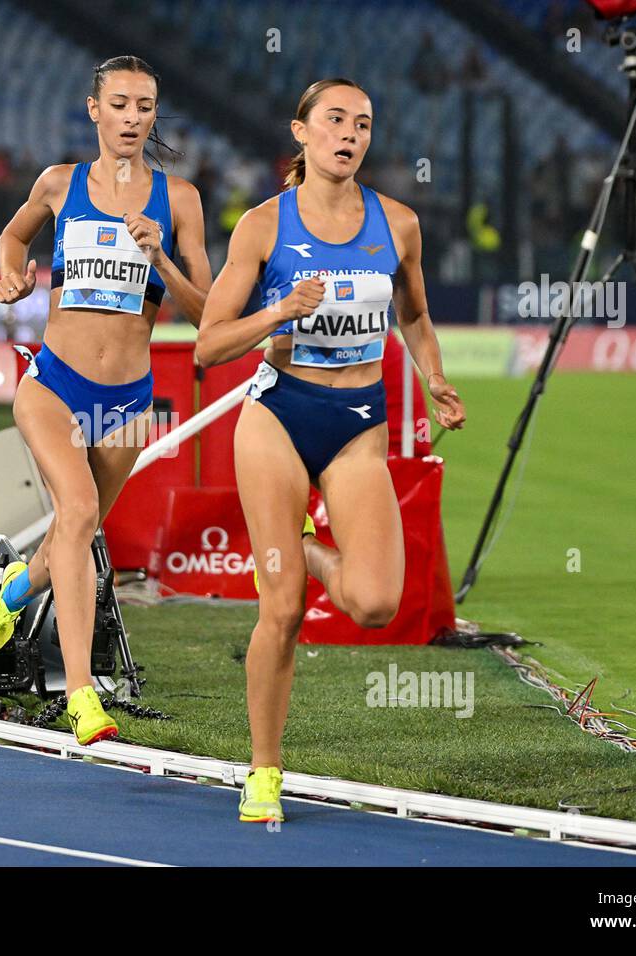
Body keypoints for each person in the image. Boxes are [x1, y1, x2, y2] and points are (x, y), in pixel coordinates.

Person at [196, 78, 466, 823]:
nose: (350, 134)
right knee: (281, 610)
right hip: (279, 415)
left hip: (358, 423)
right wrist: (279, 310)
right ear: (303, 133)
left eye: (364, 124)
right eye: (336, 120)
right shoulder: (262, 227)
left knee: (376, 602)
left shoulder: (398, 223)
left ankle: (305, 547)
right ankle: (263, 770)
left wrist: (434, 377)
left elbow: (414, 315)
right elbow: (209, 343)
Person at [0, 55, 212, 746]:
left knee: (73, 535)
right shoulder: (60, 183)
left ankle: (16, 591)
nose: (133, 118)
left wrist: (164, 260)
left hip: (126, 402)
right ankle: (81, 695)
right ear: (94, 110)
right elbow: (14, 235)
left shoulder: (182, 201)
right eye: (119, 104)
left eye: (144, 106)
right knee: (78, 511)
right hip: (53, 384)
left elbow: (211, 317)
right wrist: (10, 277)